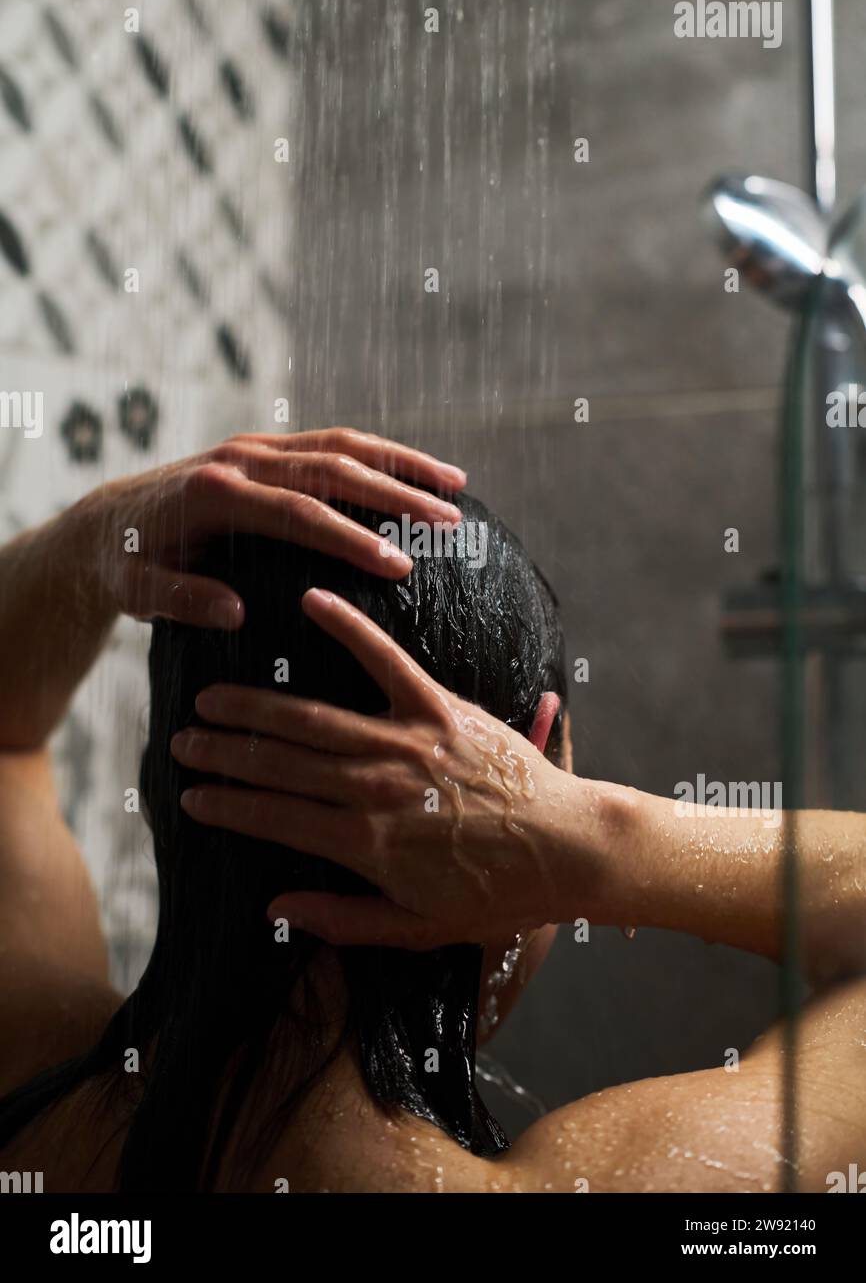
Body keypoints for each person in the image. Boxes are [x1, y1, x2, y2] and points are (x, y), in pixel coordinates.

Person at [0, 429, 864, 1192]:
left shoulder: (27, 1063)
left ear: (165, 789)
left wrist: (92, 535)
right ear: (526, 795)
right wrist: (606, 842)